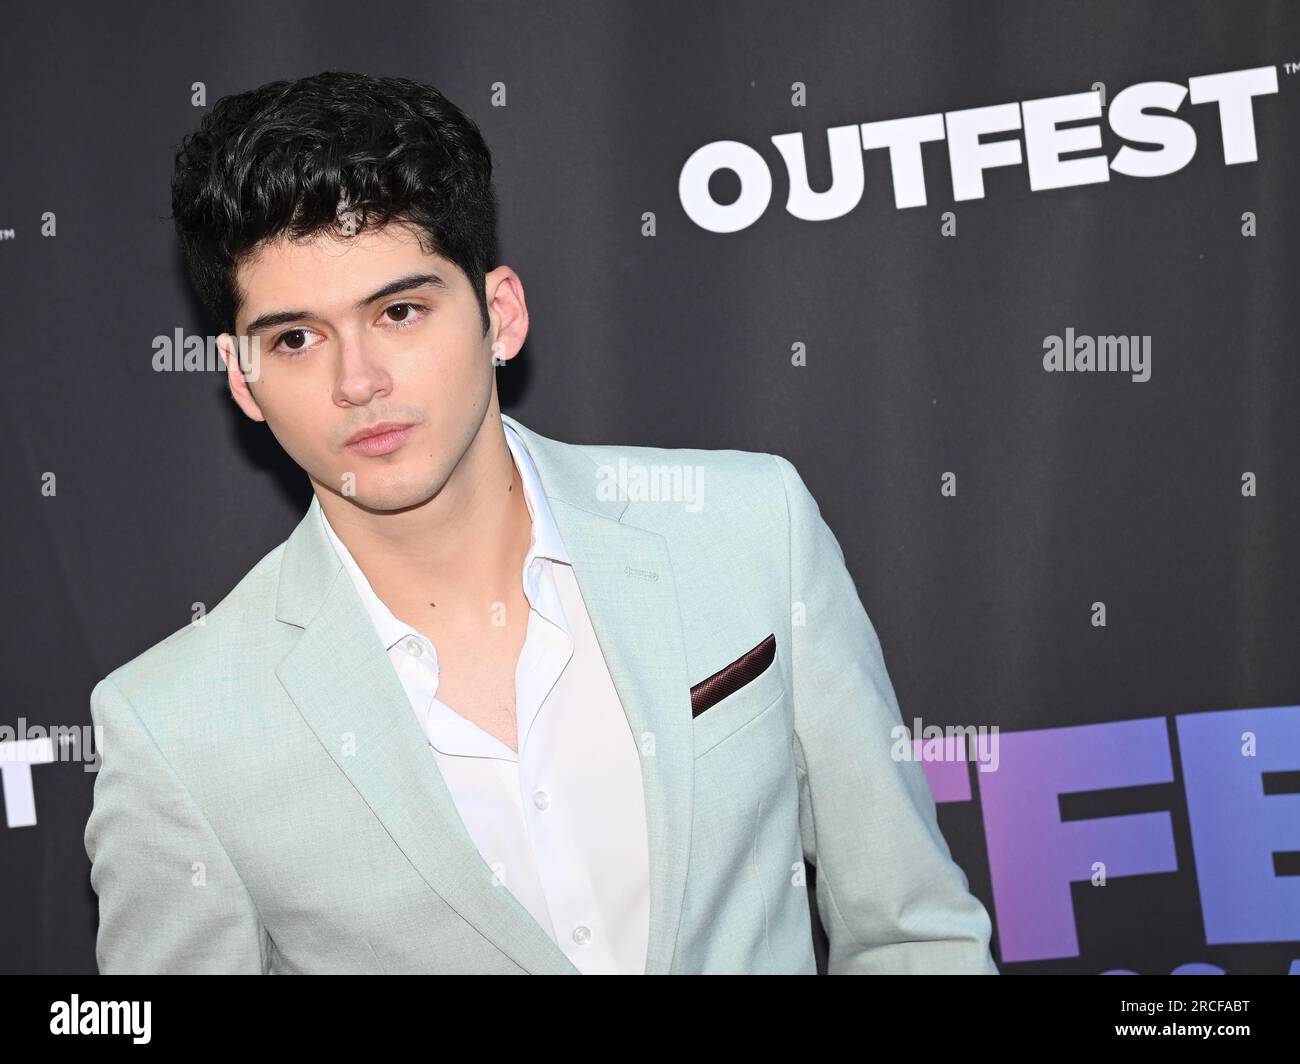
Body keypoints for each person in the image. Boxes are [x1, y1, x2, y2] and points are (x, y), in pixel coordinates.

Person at [83, 70, 999, 975]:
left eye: (399, 311)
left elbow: (913, 934)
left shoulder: (750, 529)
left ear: (501, 314)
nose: (356, 382)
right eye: (296, 338)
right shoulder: (174, 729)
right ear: (244, 379)